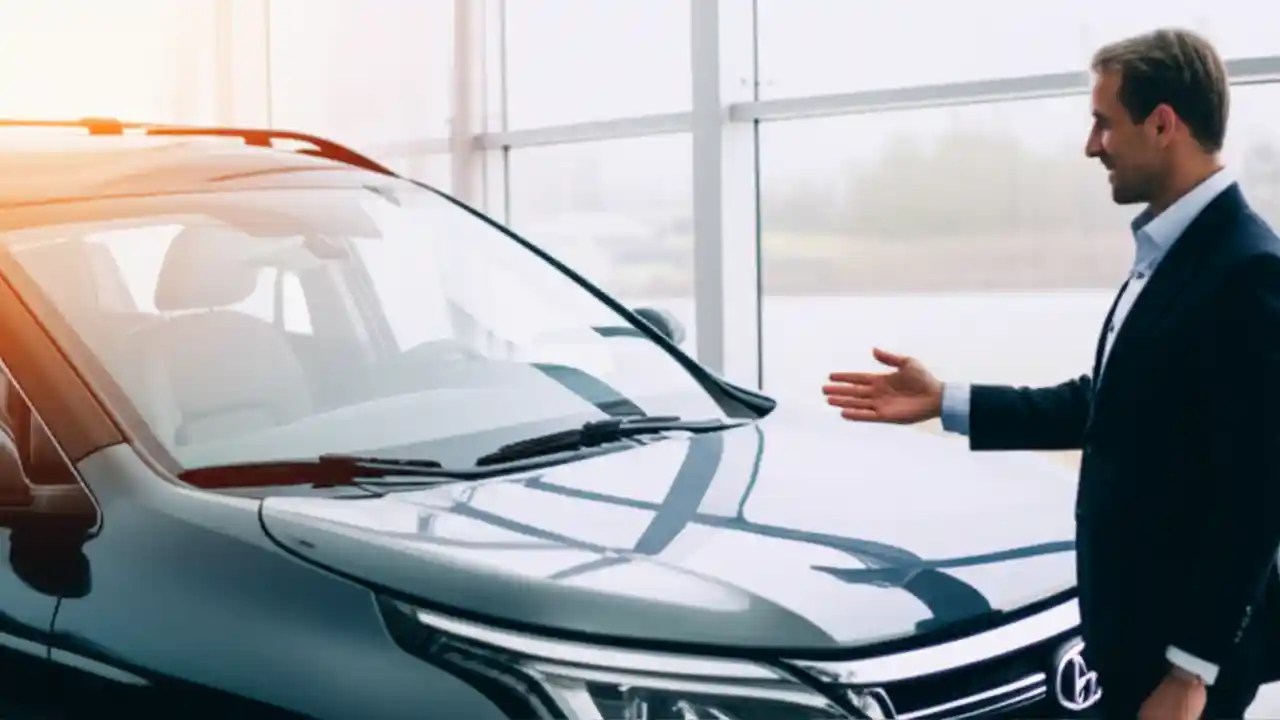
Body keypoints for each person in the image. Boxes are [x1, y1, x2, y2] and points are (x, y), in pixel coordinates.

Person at [822, 28, 1280, 720]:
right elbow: (1111, 404)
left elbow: (1255, 496)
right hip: (1128, 646)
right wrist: (945, 400)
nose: (1092, 145)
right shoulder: (1174, 249)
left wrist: (1191, 671)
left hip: (1180, 669)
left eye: (1103, 122)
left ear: (1163, 125)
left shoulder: (1247, 270)